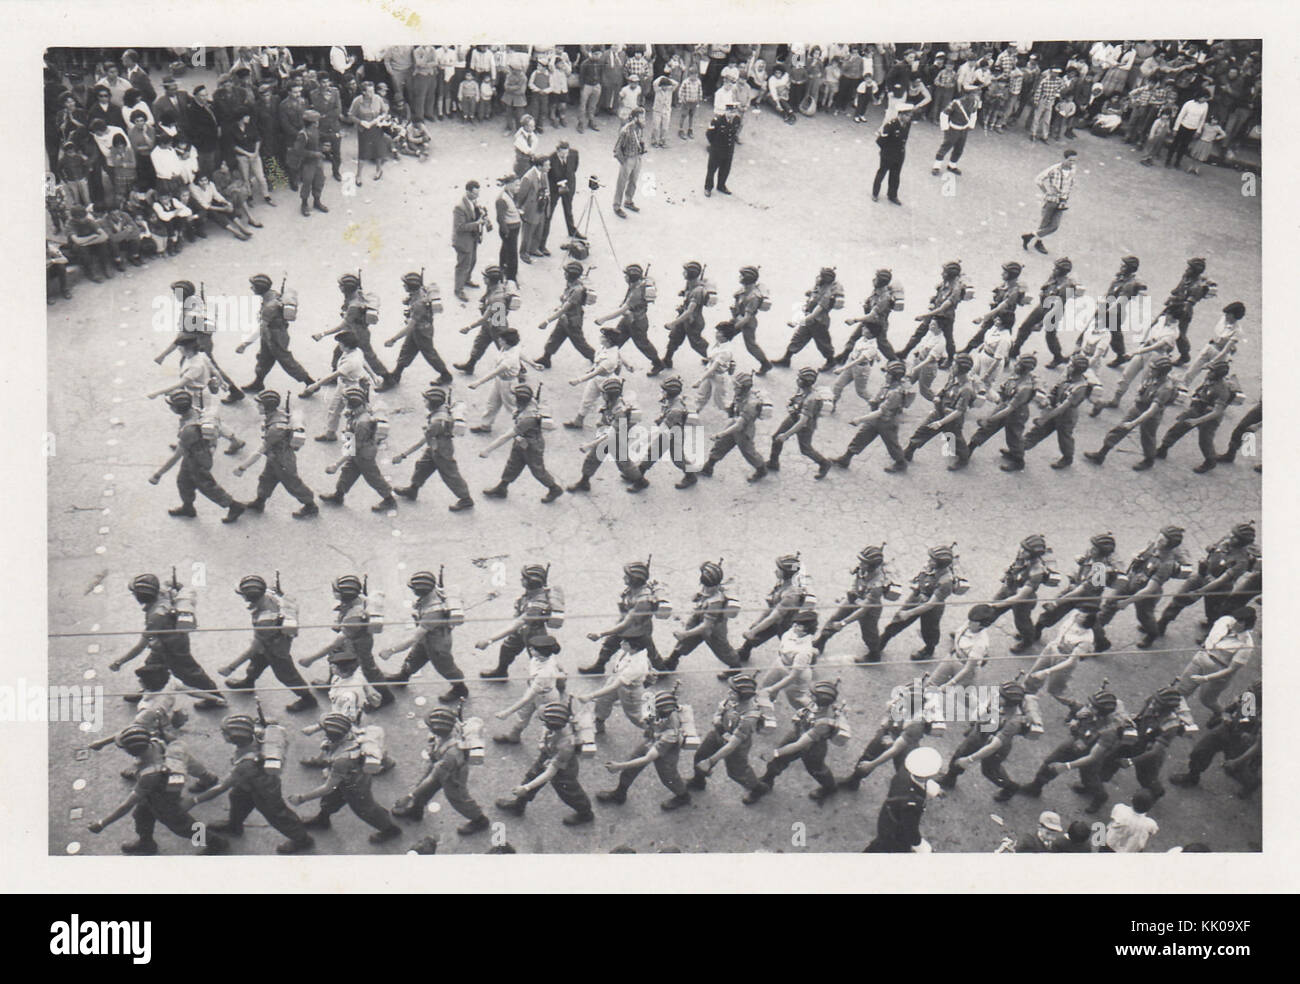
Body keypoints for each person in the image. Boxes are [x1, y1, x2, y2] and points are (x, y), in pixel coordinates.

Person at [86, 726, 229, 855]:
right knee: (141, 816)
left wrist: (102, 823)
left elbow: (126, 805)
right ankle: (146, 843)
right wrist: (103, 743)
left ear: (131, 752)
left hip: (164, 802)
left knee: (183, 827)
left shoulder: (149, 775)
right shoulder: (155, 742)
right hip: (152, 794)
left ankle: (215, 842)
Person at [190, 714, 315, 854]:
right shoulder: (257, 735)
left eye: (224, 733)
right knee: (237, 800)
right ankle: (234, 826)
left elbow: (222, 787)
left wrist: (194, 801)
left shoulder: (246, 764)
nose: (222, 734)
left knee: (278, 816)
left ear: (234, 738)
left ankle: (302, 840)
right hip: (248, 784)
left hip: (264, 790)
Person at [289, 712, 401, 844]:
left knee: (366, 810)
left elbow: (328, 787)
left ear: (331, 736)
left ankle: (390, 829)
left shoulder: (342, 760)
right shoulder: (350, 731)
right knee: (329, 801)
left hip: (355, 787)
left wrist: (302, 798)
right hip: (344, 779)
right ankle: (322, 819)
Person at [376, 569, 470, 704]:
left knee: (446, 668)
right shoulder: (433, 592)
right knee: (414, 659)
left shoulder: (432, 613)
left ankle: (460, 689)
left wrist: (391, 651)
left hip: (437, 645)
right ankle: (403, 677)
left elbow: (413, 638)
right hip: (426, 639)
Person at [148, 390, 244, 523]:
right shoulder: (196, 411)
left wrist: (158, 474)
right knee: (183, 482)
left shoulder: (189, 430)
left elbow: (177, 455)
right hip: (195, 455)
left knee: (208, 487)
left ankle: (234, 506)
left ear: (177, 409)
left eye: (172, 405)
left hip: (197, 460)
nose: (170, 407)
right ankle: (188, 508)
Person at [494, 701, 595, 826]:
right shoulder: (561, 724)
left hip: (563, 770)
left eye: (544, 721)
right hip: (549, 754)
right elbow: (546, 729)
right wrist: (543, 741)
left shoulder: (566, 745)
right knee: (531, 776)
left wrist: (526, 788)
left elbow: (550, 773)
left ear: (551, 725)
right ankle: (518, 805)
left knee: (570, 793)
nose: (542, 722)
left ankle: (585, 813)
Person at [393, 707, 490, 835]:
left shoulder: (451, 753)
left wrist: (409, 796)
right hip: (440, 762)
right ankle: (416, 810)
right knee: (423, 786)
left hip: (453, 773)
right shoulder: (451, 728)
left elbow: (433, 777)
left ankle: (479, 819)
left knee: (457, 798)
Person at [233, 390, 318, 519]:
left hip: (283, 461)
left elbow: (259, 451)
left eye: (260, 404)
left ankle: (310, 506)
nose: (257, 407)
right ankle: (259, 502)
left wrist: (242, 467)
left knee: (293, 484)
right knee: (266, 479)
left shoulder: (276, 428)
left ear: (267, 406)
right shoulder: (276, 416)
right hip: (274, 457)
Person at [689, 673, 770, 805]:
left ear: (743, 696)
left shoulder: (750, 716)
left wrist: (710, 761)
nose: (728, 692)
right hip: (719, 732)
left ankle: (757, 789)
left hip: (737, 745)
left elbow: (732, 745)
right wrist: (717, 718)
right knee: (700, 756)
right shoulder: (732, 700)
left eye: (733, 691)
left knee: (737, 772)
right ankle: (698, 781)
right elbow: (720, 710)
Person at [479, 383, 566, 503]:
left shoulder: (528, 418)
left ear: (520, 400)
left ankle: (554, 488)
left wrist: (487, 450)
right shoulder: (531, 403)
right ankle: (502, 487)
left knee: (538, 470)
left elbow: (506, 436)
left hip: (532, 446)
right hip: (522, 441)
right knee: (512, 464)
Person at [392, 385, 474, 512]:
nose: (424, 403)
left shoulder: (437, 421)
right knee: (422, 465)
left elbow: (421, 442)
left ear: (433, 403)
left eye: (426, 401)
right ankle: (413, 489)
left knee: (450, 474)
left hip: (442, 449)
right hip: (435, 445)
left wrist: (403, 455)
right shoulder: (442, 409)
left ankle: (466, 499)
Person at [1173, 608, 1257, 722]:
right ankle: (1171, 717)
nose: (1234, 623)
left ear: (1245, 626)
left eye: (1239, 623)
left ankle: (1219, 713)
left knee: (1207, 700)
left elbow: (1231, 669)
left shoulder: (1246, 645)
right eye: (1235, 619)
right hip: (1201, 658)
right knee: (1181, 690)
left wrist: (1205, 678)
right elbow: (1213, 634)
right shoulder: (1225, 620)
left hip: (1218, 672)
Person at [864, 746, 943, 853]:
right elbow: (910, 828)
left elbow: (918, 781)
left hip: (888, 813)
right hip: (894, 830)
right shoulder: (913, 803)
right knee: (889, 848)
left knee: (880, 844)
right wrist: (918, 844)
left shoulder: (904, 772)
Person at [386, 271, 453, 386]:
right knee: (406, 350)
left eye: (405, 284)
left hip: (422, 332)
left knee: (430, 355)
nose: (403, 286)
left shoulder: (418, 305)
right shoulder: (420, 292)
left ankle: (445, 375)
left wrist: (393, 339)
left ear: (411, 287)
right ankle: (396, 374)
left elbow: (409, 327)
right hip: (418, 329)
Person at [768, 366, 832, 479]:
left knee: (805, 449)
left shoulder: (811, 400)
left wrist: (786, 435)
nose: (797, 380)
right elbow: (798, 397)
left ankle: (824, 463)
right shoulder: (804, 390)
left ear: (804, 382)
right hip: (794, 416)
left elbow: (802, 422)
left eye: (799, 379)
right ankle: (773, 463)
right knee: (776, 438)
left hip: (805, 426)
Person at [1021, 148, 1077, 254]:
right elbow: (1038, 179)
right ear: (1064, 159)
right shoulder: (1054, 169)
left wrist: (1066, 197)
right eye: (1070, 160)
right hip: (1052, 200)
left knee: (1054, 226)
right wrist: (1046, 192)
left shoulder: (1073, 169)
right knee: (1044, 223)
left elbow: (1070, 183)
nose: (1072, 163)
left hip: (1063, 201)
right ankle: (1038, 241)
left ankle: (1030, 236)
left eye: (1074, 161)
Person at [451, 180, 490, 302]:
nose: (476, 196)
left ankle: (466, 280)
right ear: (467, 191)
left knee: (472, 261)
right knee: (463, 265)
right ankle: (458, 289)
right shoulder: (459, 207)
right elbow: (460, 227)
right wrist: (477, 223)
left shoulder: (473, 201)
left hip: (472, 238)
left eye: (478, 194)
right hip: (463, 241)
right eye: (474, 194)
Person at [932, 83, 980, 175]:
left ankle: (952, 165)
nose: (976, 96)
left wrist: (971, 125)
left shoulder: (974, 103)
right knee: (945, 147)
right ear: (967, 94)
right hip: (954, 128)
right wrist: (945, 128)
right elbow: (944, 114)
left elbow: (974, 113)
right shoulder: (956, 103)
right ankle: (936, 166)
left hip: (964, 129)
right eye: (974, 94)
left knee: (959, 148)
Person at [347, 80, 388, 183]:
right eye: (369, 91)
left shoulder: (378, 99)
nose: (372, 94)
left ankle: (379, 170)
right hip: (364, 130)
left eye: (373, 91)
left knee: (378, 151)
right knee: (363, 153)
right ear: (364, 92)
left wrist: (379, 119)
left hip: (377, 128)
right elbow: (350, 115)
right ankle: (359, 175)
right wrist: (360, 122)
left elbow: (384, 112)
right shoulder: (357, 101)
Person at [872, 103, 912, 205]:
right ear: (901, 114)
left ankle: (892, 195)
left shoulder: (908, 123)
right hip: (888, 155)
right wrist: (886, 152)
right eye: (907, 115)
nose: (909, 118)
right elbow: (880, 141)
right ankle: (875, 193)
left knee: (895, 176)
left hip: (900, 154)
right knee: (882, 173)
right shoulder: (890, 125)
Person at [612, 106, 647, 218]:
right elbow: (617, 149)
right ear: (635, 118)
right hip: (628, 158)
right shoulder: (626, 130)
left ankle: (628, 201)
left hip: (637, 157)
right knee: (621, 183)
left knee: (633, 181)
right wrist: (623, 162)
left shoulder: (640, 128)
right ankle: (617, 206)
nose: (643, 119)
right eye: (641, 117)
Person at [703, 102, 741, 197]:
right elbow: (709, 134)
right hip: (717, 150)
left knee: (725, 169)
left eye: (734, 112)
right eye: (730, 112)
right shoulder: (717, 121)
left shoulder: (737, 120)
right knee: (712, 169)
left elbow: (734, 133)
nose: (732, 114)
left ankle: (721, 186)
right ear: (726, 111)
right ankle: (708, 188)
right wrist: (714, 146)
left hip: (729, 149)